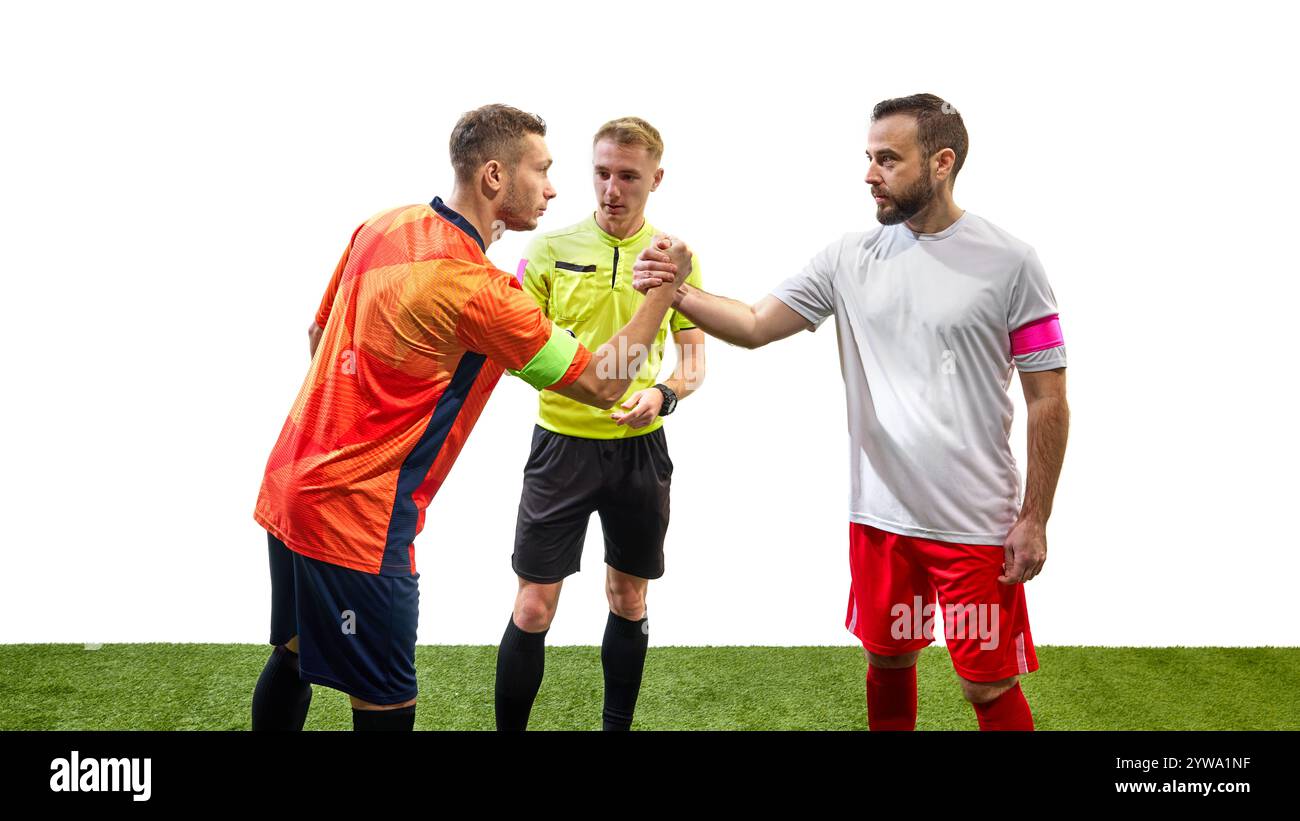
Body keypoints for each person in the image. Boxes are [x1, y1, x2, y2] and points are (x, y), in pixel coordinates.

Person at [251, 104, 694, 731]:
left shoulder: (383, 224)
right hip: (360, 519)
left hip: (291, 482)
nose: (553, 187)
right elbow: (603, 380)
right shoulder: (481, 292)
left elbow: (320, 332)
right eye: (542, 170)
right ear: (494, 177)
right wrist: (661, 291)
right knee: (385, 700)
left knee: (294, 655)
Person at [633, 94, 1069, 731]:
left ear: (942, 162)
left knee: (987, 687)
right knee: (888, 662)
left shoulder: (1011, 262)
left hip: (975, 526)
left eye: (888, 159)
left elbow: (1047, 398)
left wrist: (1036, 517)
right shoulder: (848, 258)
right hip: (881, 519)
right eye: (869, 157)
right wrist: (679, 289)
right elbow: (754, 325)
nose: (870, 174)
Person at [494, 117, 706, 731]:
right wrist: (580, 378)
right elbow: (516, 353)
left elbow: (693, 361)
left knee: (629, 598)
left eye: (629, 176)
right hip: (560, 448)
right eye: (602, 173)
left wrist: (663, 395)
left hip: (639, 452)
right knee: (534, 607)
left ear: (655, 179)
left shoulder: (675, 257)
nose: (612, 188)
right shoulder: (549, 250)